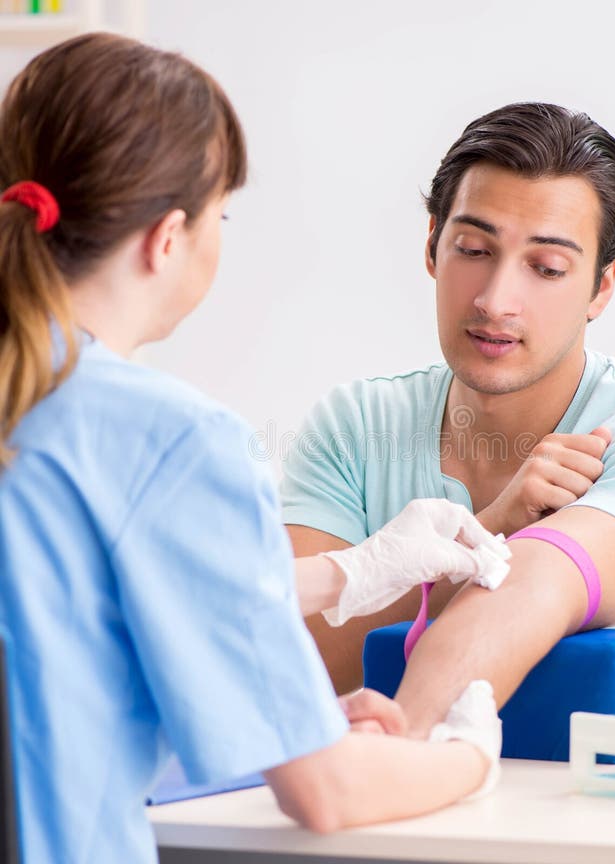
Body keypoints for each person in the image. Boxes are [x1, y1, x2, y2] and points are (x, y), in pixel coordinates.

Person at [0, 34, 507, 864]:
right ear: (169, 238)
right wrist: (464, 759)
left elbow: (54, 685)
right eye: (220, 215)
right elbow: (326, 791)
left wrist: (340, 592)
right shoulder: (173, 440)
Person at [281, 102, 615, 736]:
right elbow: (292, 668)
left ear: (601, 286)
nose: (494, 300)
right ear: (432, 245)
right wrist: (491, 528)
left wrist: (393, 754)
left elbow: (533, 587)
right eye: (474, 249)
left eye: (547, 268)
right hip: (416, 814)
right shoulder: (355, 426)